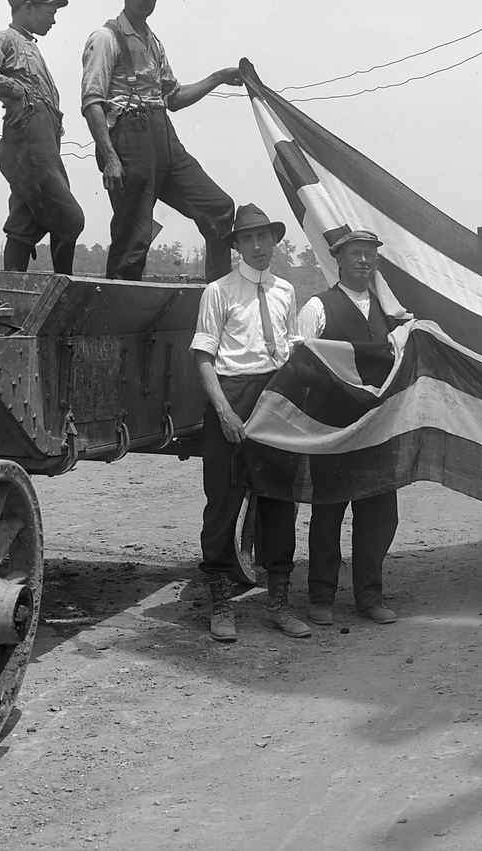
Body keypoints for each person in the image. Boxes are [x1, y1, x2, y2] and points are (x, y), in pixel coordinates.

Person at [81, 0, 241, 281]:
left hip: (164, 137)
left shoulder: (153, 43)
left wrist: (218, 78)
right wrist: (110, 158)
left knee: (219, 208)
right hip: (128, 141)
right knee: (134, 236)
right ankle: (120, 307)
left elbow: (174, 98)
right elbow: (92, 102)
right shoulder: (106, 37)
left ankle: (218, 295)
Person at [190, 204, 308, 642]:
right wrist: (225, 412)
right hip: (232, 395)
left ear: (274, 241)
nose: (258, 246)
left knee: (279, 502)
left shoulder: (286, 291)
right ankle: (221, 605)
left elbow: (291, 352)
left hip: (274, 397)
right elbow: (204, 359)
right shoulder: (217, 292)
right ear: (237, 245)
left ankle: (278, 603)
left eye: (264, 237)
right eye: (249, 239)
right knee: (223, 502)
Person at [295, 230, 401, 626]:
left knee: (379, 516)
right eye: (355, 253)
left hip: (376, 430)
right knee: (328, 514)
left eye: (370, 254)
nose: (363, 261)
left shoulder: (390, 312)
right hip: (334, 430)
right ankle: (321, 597)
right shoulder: (318, 307)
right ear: (337, 260)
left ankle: (370, 597)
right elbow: (301, 363)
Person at [0, 0, 85, 274]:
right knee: (70, 219)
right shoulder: (7, 39)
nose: (54, 20)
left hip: (40, 147)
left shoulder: (29, 45)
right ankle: (64, 288)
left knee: (23, 224)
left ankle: (10, 290)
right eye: (50, 11)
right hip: (27, 148)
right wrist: (14, 89)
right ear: (28, 7)